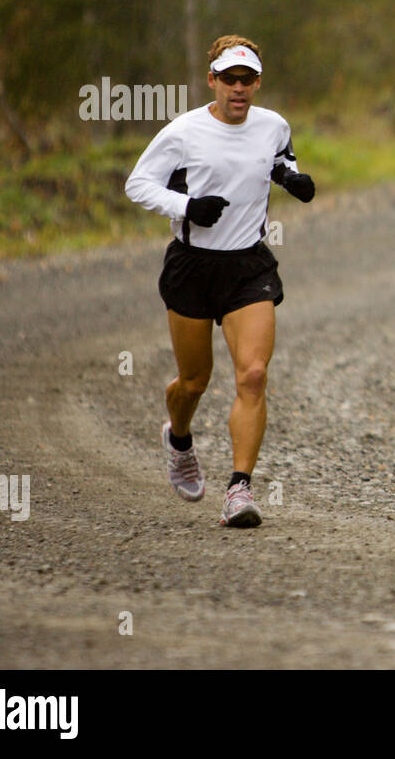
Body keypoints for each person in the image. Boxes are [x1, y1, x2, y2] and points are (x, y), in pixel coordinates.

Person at [124, 35, 315, 527]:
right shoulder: (184, 132)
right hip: (192, 265)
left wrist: (292, 178)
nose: (238, 88)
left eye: (247, 79)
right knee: (193, 381)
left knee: (252, 374)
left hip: (247, 266)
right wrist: (187, 206)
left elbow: (279, 160)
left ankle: (238, 491)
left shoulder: (273, 125)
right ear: (212, 80)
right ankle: (179, 439)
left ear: (257, 83)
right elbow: (138, 183)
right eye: (229, 78)